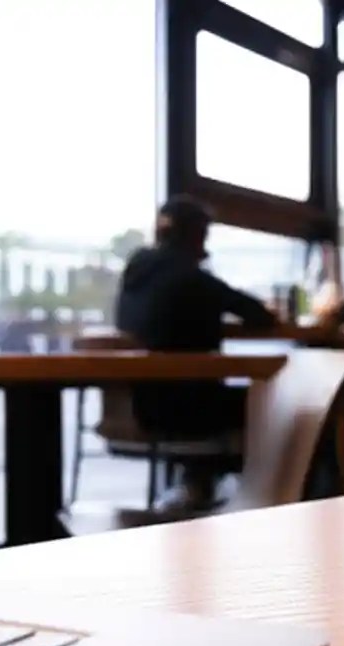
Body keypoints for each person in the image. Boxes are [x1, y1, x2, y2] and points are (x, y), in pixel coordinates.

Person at [115, 195, 277, 510]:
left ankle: (199, 480)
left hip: (139, 404)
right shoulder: (192, 279)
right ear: (197, 235)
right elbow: (258, 315)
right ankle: (264, 494)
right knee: (274, 403)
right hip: (187, 408)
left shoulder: (135, 274)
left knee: (219, 392)